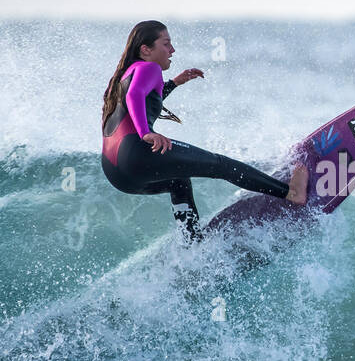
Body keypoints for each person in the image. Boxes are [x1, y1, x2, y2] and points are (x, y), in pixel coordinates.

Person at [100, 20, 308, 240]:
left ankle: (191, 244)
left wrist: (174, 83)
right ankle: (290, 193)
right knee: (220, 165)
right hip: (135, 154)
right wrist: (145, 133)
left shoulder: (125, 75)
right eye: (166, 43)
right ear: (145, 49)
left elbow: (144, 100)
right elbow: (135, 96)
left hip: (117, 173)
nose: (172, 50)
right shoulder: (149, 68)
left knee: (178, 183)